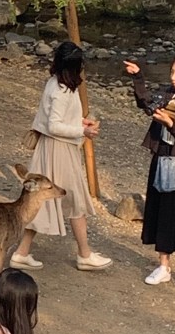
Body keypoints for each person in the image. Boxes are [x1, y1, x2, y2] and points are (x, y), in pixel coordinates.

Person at [11, 40, 112, 272]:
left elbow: (55, 120)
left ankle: (22, 252)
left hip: (52, 147)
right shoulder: (62, 91)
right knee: (74, 198)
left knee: (41, 199)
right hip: (60, 150)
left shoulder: (54, 84)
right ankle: (84, 254)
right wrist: (83, 131)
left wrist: (79, 122)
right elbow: (55, 125)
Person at [123, 53, 175, 292]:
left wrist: (170, 122)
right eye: (172, 73)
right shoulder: (169, 94)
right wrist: (138, 77)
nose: (174, 78)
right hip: (163, 158)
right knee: (162, 209)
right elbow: (147, 103)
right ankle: (163, 265)